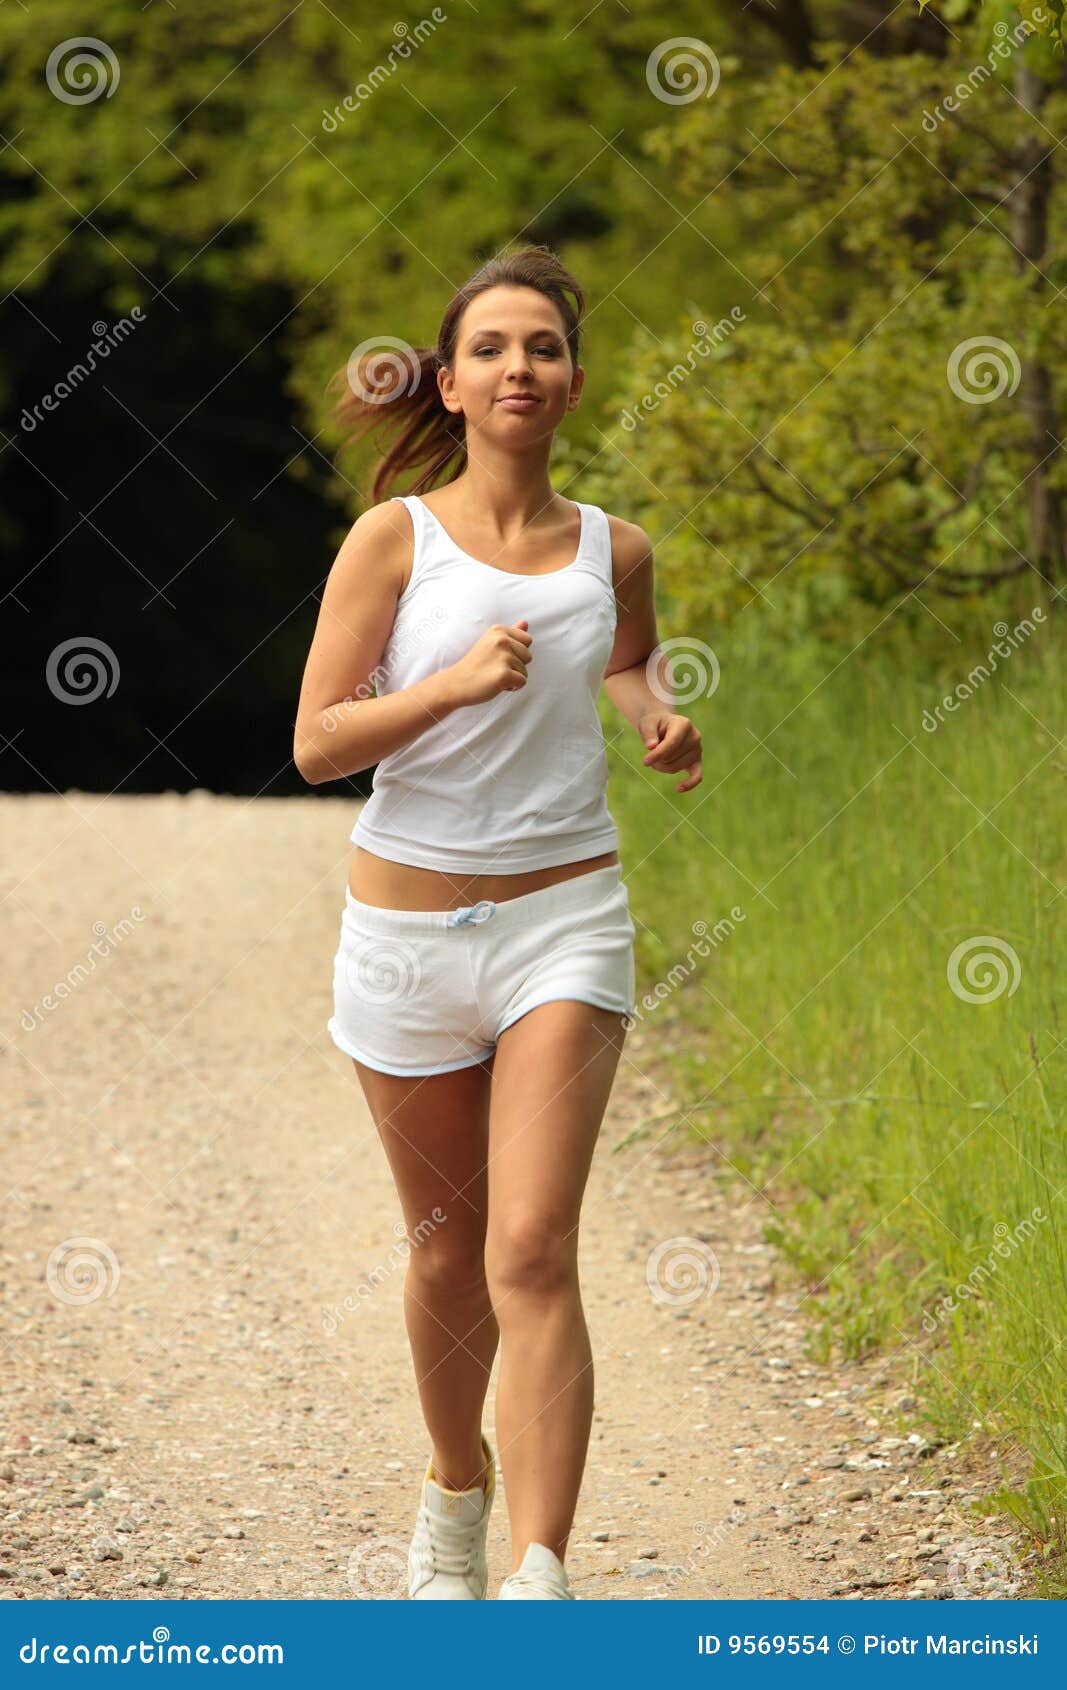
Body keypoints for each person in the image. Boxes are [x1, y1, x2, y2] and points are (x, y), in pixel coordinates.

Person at [293, 245, 702, 1600]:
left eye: (542, 346)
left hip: (562, 923)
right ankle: (454, 1492)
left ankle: (540, 1574)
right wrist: (453, 685)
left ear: (573, 381)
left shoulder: (615, 548)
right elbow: (316, 741)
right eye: (491, 349)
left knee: (532, 1245)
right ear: (453, 384)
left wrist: (651, 716)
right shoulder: (394, 538)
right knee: (446, 1247)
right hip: (406, 934)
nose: (518, 366)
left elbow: (624, 657)